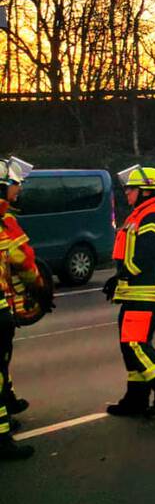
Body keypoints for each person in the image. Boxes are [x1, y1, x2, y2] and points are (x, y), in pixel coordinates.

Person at [107, 165, 155, 418]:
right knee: (129, 345)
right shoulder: (147, 213)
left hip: (145, 291)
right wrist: (118, 278)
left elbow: (148, 253)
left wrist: (122, 274)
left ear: (146, 191)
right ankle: (135, 398)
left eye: (131, 189)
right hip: (139, 290)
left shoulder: (152, 215)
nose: (127, 193)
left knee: (135, 344)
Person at [1, 156, 49, 461]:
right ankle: (2, 437)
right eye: (13, 185)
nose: (18, 190)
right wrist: (40, 290)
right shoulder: (4, 223)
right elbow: (24, 263)